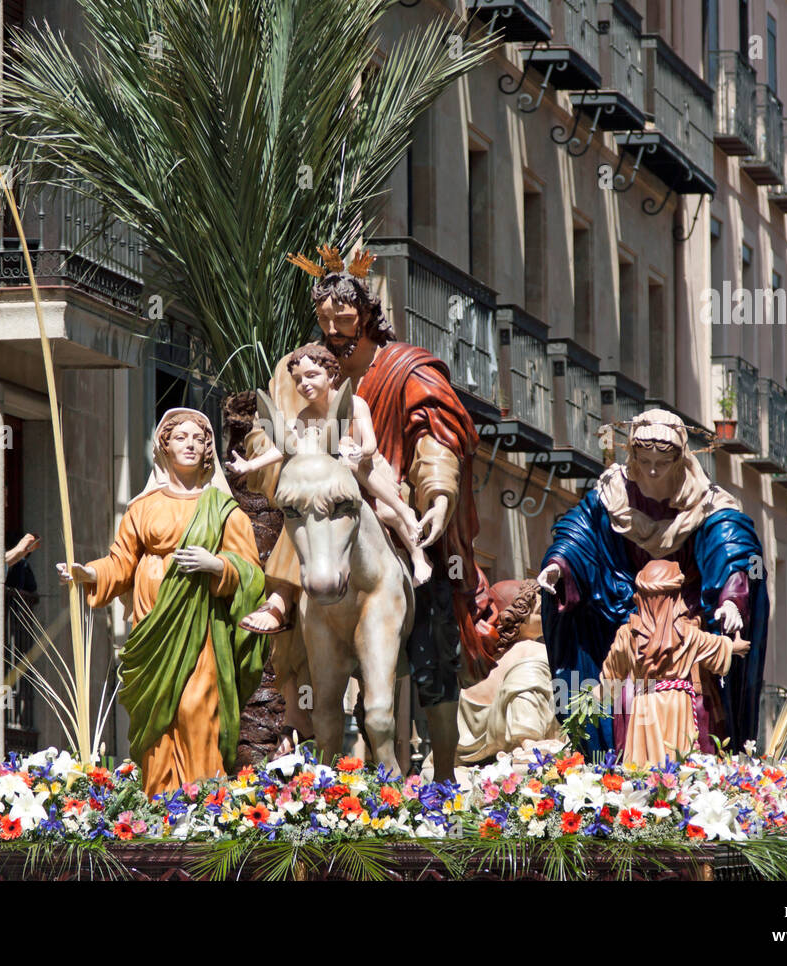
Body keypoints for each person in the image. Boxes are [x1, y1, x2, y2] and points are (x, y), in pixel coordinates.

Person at [236, 244, 500, 777]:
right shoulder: (298, 371)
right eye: (325, 318)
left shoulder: (404, 371)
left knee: (433, 638)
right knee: (310, 512)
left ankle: (444, 766)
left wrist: (439, 494)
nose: (334, 327)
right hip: (320, 503)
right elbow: (272, 434)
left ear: (367, 314)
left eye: (345, 316)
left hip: (391, 496)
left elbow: (435, 437)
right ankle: (286, 611)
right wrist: (280, 464)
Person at [57, 409, 266, 796]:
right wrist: (90, 574)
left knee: (194, 711)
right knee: (156, 724)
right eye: (180, 437)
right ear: (164, 446)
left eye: (198, 439)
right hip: (151, 631)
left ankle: (204, 809)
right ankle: (158, 810)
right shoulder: (143, 507)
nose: (189, 444)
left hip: (201, 631)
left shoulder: (224, 511)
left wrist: (217, 564)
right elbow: (121, 562)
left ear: (207, 450)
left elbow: (252, 574)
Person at [537, 408, 768, 754]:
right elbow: (578, 536)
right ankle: (608, 763)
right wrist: (560, 564)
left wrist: (732, 598)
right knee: (622, 722)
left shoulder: (705, 502)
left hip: (690, 619)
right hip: (621, 615)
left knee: (700, 722)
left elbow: (734, 549)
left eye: (662, 462)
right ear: (632, 457)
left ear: (680, 460)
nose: (653, 470)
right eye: (644, 461)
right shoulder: (612, 495)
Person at [226, 344, 433, 623]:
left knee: (379, 503)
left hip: (366, 468)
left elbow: (369, 443)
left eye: (311, 375)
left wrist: (361, 452)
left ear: (332, 374)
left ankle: (415, 547)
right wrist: (250, 465)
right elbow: (288, 447)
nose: (304, 384)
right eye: (298, 380)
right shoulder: (305, 416)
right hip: (330, 481)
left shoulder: (354, 404)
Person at [596, 559, 750, 766]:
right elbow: (722, 648)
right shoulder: (689, 635)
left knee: (644, 769)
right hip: (679, 706)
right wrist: (736, 646)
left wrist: (589, 699)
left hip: (644, 705)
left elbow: (610, 678)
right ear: (674, 598)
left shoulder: (628, 635)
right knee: (678, 771)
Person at [456, 579, 564, 766]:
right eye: (540, 612)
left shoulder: (481, 665)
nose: (548, 616)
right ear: (514, 618)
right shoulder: (533, 651)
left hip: (465, 751)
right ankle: (528, 739)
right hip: (526, 746)